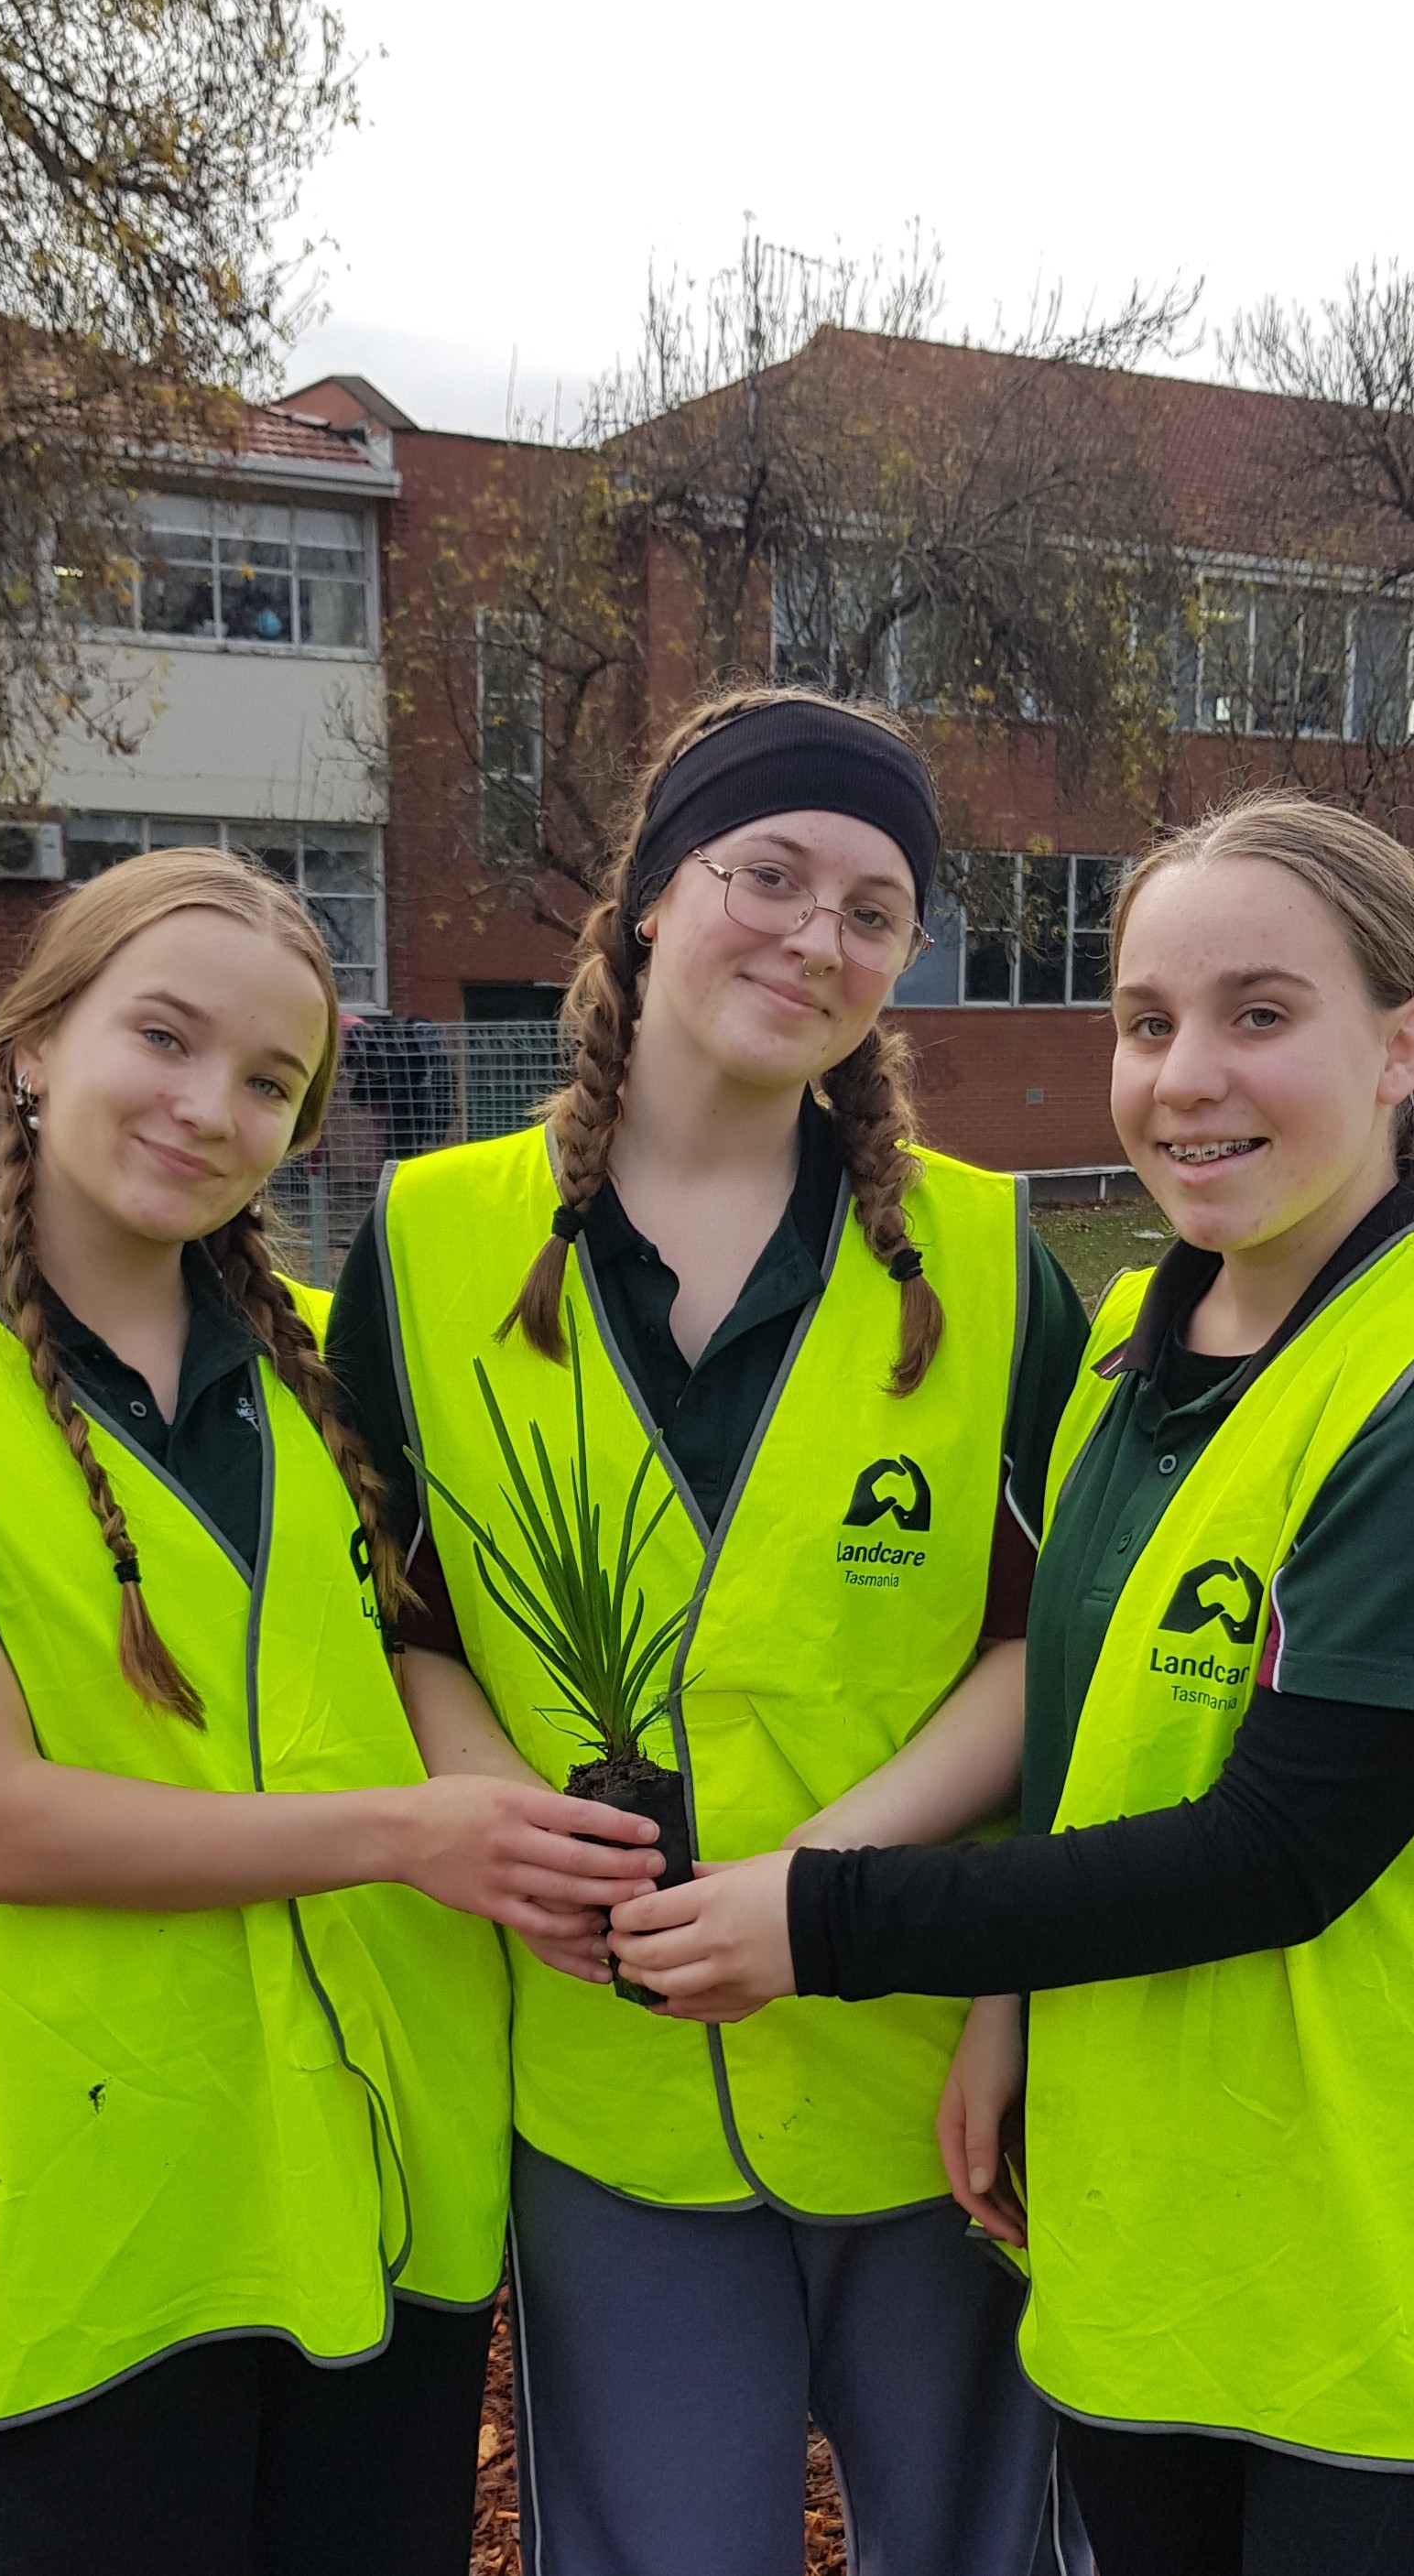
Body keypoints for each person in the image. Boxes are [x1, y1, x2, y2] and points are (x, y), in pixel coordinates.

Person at [613, 789, 1414, 2576]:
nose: (1182, 1075)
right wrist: (1006, 2015)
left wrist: (827, 1924)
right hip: (1148, 2262)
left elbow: (1272, 1855)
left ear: (1397, 1047)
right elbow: (1083, 1736)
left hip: (1385, 2288)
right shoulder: (1140, 1342)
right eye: (1145, 1022)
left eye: (1255, 1015)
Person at [0, 850, 658, 2576]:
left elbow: (441, 1663)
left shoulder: (336, 1368)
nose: (213, 1107)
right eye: (166, 1039)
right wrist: (417, 1835)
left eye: (272, 1081)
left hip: (385, 2179)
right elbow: (3, 1825)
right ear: (35, 1041)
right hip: (107, 2210)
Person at [329, 688, 1095, 2576]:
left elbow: (1042, 1647)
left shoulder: (992, 1267)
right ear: (655, 898)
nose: (810, 935)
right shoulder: (426, 1246)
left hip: (924, 2070)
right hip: (608, 2090)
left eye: (870, 907)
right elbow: (398, 1614)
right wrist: (502, 1806)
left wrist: (821, 1886)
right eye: (767, 872)